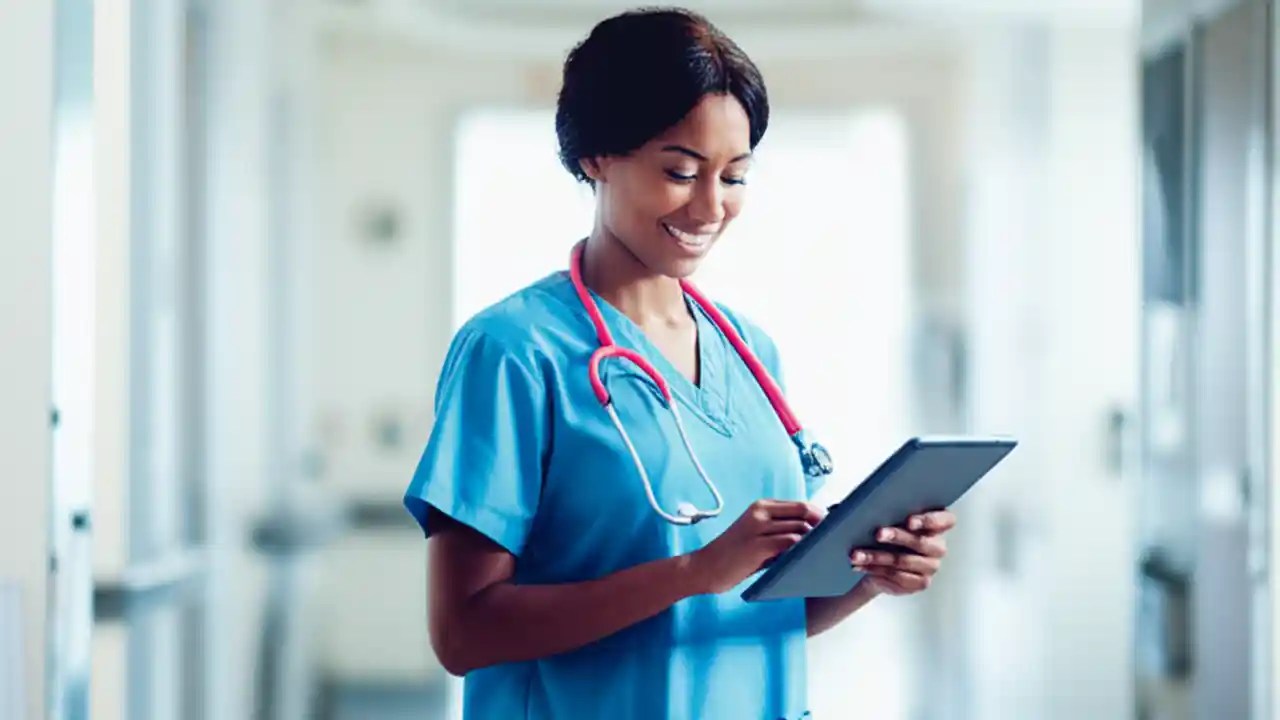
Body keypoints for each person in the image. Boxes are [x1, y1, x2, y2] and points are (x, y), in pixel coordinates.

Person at [403, 8, 956, 719]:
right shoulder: (514, 352)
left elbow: (753, 619)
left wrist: (867, 576)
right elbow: (463, 632)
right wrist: (695, 571)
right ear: (595, 156)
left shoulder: (751, 353)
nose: (710, 206)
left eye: (735, 177)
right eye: (681, 171)